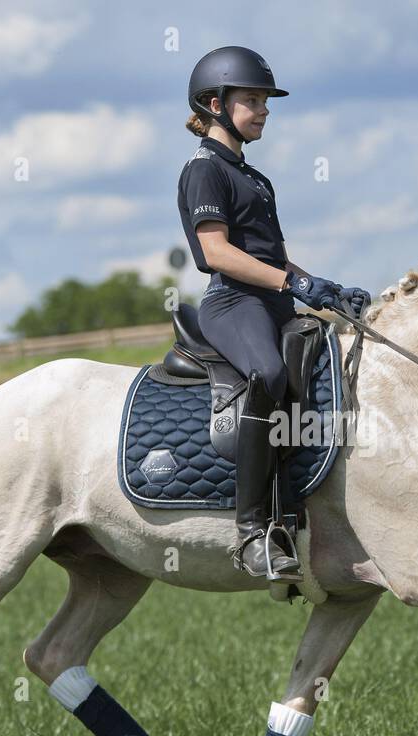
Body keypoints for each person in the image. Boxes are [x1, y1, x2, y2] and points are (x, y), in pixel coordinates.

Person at [177, 46, 370, 580]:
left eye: (266, 102)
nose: (263, 110)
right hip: (233, 302)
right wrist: (293, 281)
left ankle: (304, 504)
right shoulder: (203, 171)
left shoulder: (256, 179)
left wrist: (320, 288)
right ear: (215, 104)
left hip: (273, 298)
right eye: (252, 100)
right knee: (268, 372)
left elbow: (271, 257)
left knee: (333, 358)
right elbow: (215, 253)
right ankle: (253, 532)